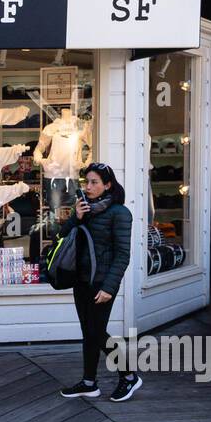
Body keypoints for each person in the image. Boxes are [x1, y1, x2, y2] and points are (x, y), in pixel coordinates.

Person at [57, 162, 139, 402]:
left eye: (94, 182)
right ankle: (89, 382)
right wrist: (76, 217)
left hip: (102, 283)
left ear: (108, 185)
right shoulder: (85, 209)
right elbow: (63, 238)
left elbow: (123, 254)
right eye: (86, 182)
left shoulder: (120, 213)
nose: (89, 186)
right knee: (88, 332)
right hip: (80, 281)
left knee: (96, 331)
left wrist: (109, 288)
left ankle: (129, 376)